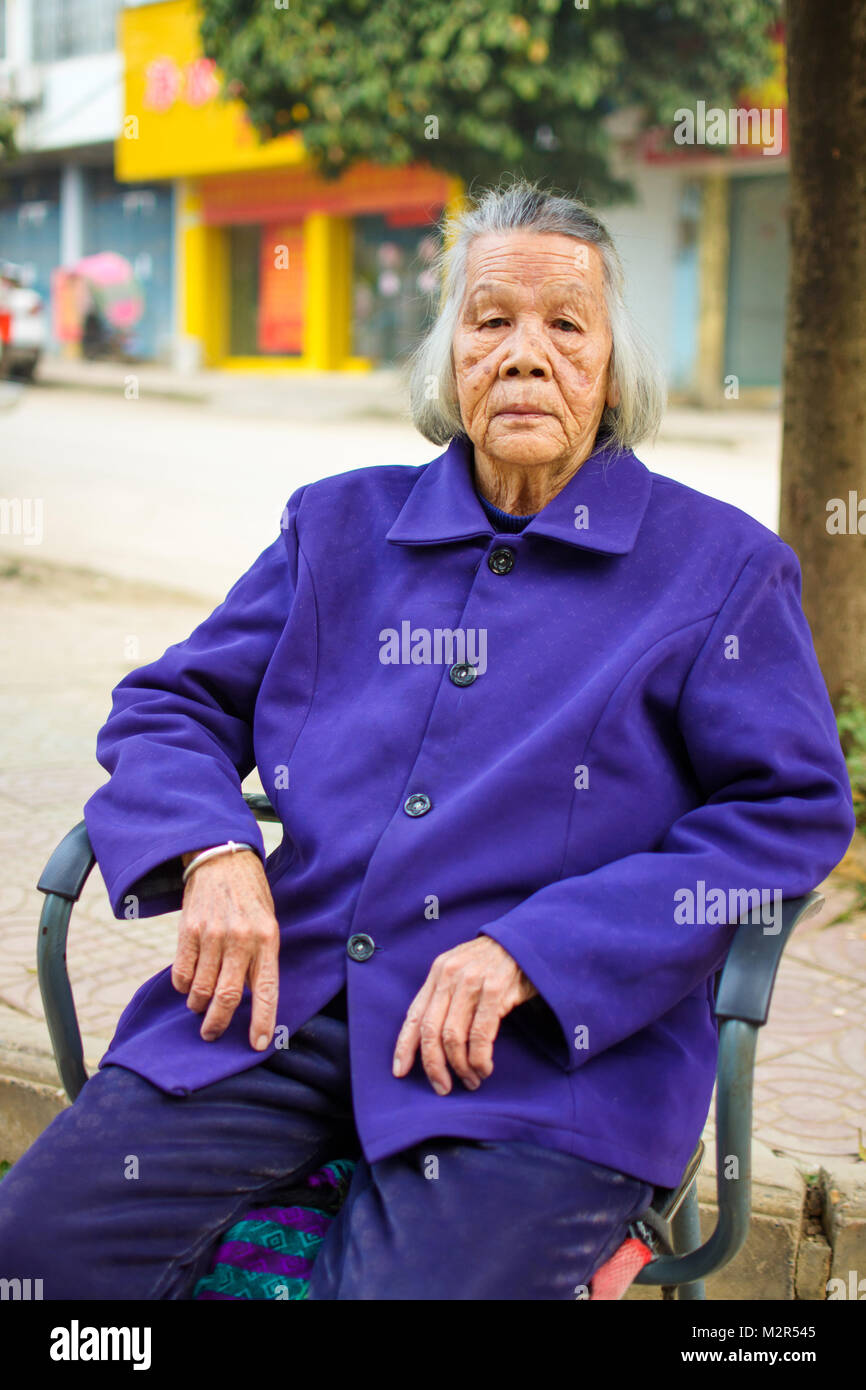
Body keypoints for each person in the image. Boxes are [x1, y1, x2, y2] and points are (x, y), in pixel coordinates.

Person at [0, 180, 855, 1300]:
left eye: (564, 324)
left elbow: (783, 813)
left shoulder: (719, 570)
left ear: (612, 365)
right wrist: (213, 851)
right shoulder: (338, 525)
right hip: (278, 1003)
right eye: (490, 318)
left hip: (538, 1058)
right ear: (449, 355)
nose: (522, 353)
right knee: (39, 1258)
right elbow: (172, 705)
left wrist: (535, 952)